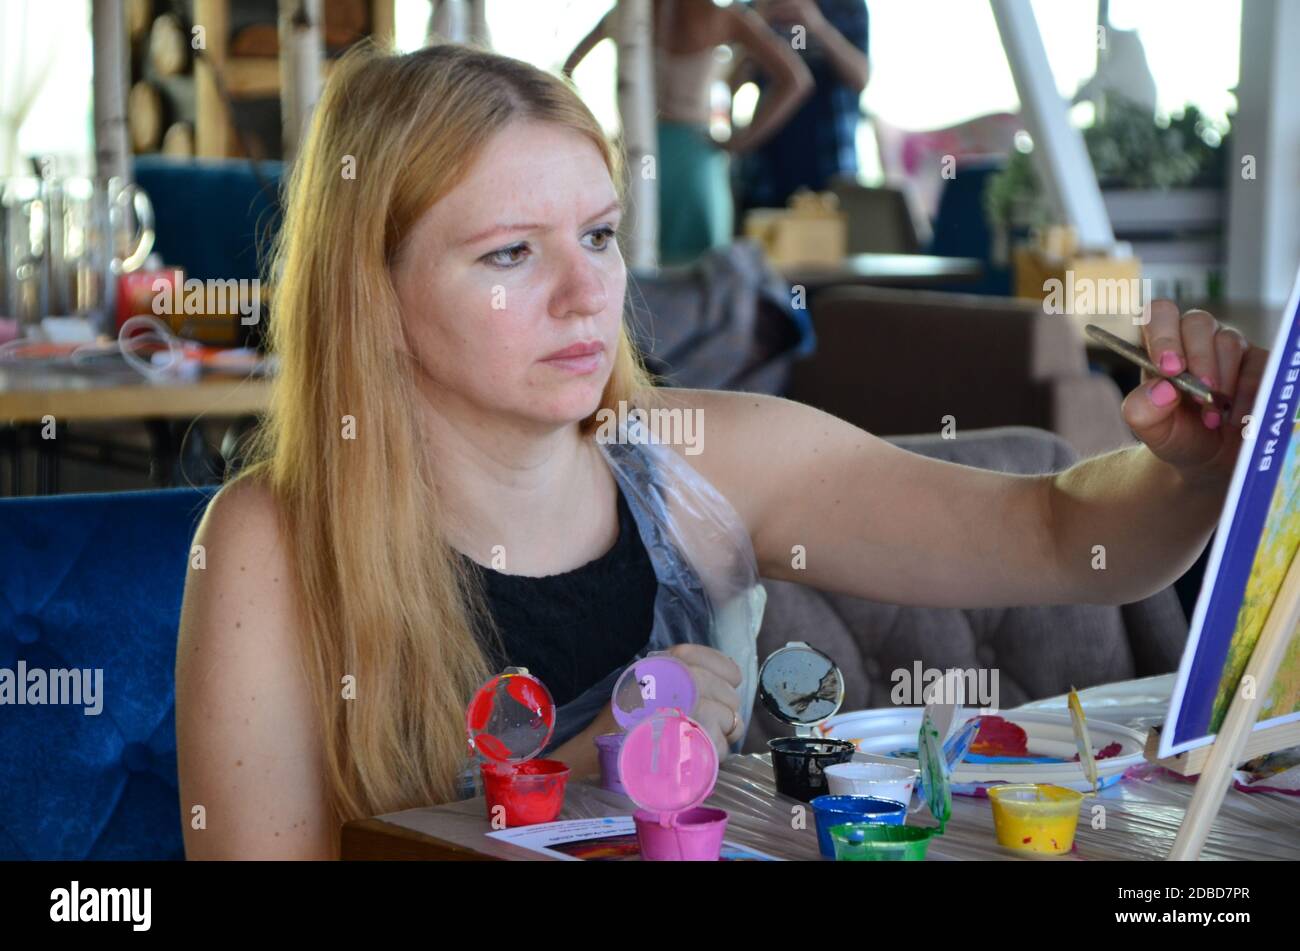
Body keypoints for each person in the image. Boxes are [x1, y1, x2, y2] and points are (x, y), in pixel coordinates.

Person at [176, 41, 1267, 859]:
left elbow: (1062, 537)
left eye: (598, 235)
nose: (586, 291)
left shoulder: (702, 459)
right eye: (510, 252)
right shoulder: (270, 544)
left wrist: (1187, 465)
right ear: (374, 294)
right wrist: (588, 768)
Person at [564, 0, 812, 266]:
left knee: (635, 268)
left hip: (636, 156)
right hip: (696, 157)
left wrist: (598, 137)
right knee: (699, 273)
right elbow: (796, 80)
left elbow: (568, 71)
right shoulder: (724, 17)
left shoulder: (624, 14)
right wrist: (744, 142)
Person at [731, 0, 870, 214]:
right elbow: (732, 84)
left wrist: (818, 26)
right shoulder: (756, 8)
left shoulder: (847, 6)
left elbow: (860, 77)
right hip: (766, 174)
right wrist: (757, 29)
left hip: (832, 171)